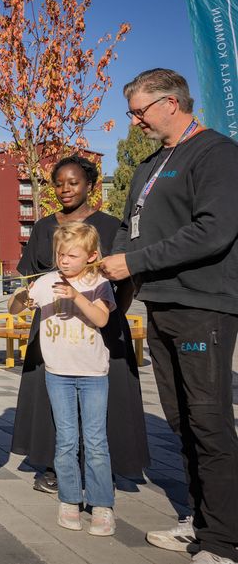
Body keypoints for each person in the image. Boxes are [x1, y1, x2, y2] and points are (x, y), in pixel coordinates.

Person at [100, 68, 238, 564]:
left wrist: (133, 262)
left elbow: (214, 231)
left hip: (203, 306)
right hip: (160, 304)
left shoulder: (216, 153)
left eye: (140, 110)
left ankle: (224, 541)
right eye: (132, 112)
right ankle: (199, 521)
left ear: (172, 103)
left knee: (208, 420)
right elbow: (129, 229)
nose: (134, 120)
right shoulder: (151, 164)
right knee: (180, 419)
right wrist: (110, 274)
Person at [11, 155, 149, 493]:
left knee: (103, 398)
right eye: (58, 183)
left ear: (90, 185)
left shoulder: (112, 226)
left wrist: (112, 314)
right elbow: (27, 278)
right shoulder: (44, 227)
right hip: (53, 326)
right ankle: (53, 468)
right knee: (52, 397)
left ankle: (102, 467)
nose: (65, 189)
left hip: (99, 324)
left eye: (73, 182)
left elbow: (128, 278)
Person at [10, 222, 117, 536]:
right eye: (61, 254)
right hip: (58, 373)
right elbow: (15, 308)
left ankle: (101, 504)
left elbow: (101, 318)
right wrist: (21, 300)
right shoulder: (46, 282)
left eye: (72, 254)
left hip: (94, 374)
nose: (65, 260)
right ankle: (69, 499)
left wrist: (75, 296)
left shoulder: (98, 283)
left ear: (91, 255)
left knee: (96, 441)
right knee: (66, 439)